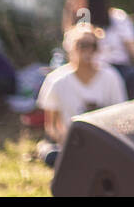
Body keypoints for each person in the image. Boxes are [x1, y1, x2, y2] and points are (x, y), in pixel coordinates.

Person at [35, 23, 127, 167]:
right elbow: (52, 126)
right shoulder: (56, 80)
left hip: (105, 143)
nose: (88, 51)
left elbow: (120, 117)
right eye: (82, 45)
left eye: (93, 46)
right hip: (70, 144)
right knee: (53, 156)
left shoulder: (111, 76)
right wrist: (69, 143)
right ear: (70, 47)